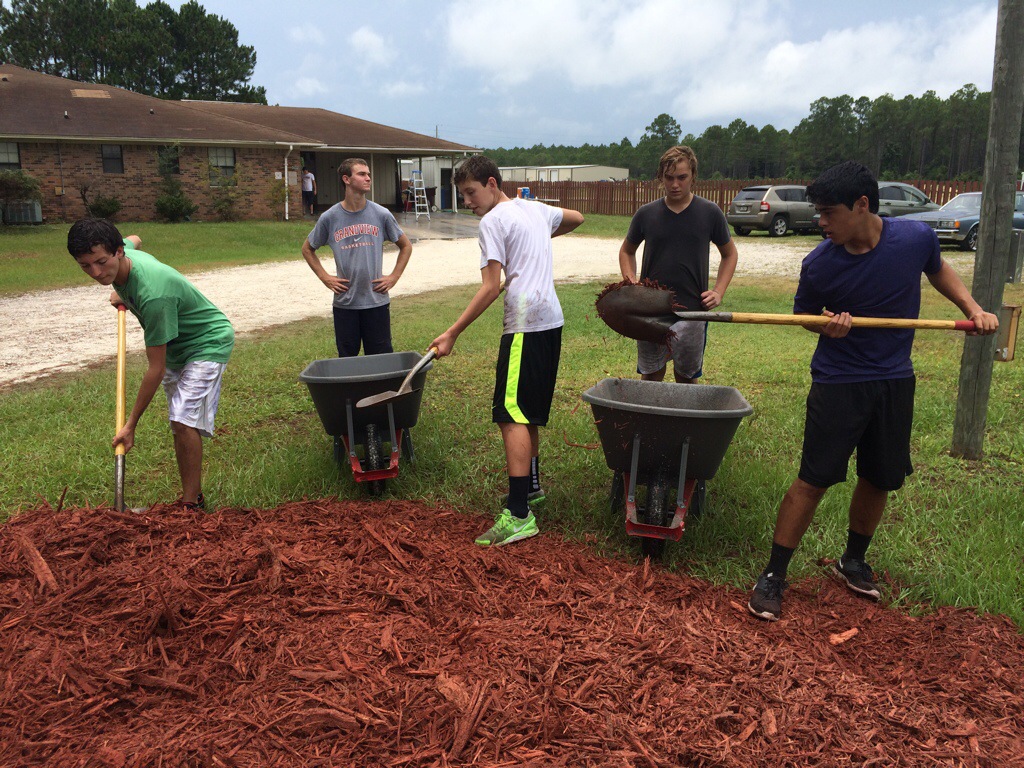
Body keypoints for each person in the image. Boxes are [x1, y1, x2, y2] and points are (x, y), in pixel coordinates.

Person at [747, 161, 999, 622]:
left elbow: (938, 269)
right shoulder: (819, 263)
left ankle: (853, 560)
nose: (821, 222)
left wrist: (972, 308)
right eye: (818, 212)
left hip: (895, 378)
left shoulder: (915, 239)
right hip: (838, 381)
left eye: (829, 212)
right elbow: (804, 316)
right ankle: (773, 574)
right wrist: (825, 324)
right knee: (814, 479)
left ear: (862, 205)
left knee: (880, 477)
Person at [430, 155, 584, 546]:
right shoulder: (532, 209)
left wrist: (452, 333)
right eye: (463, 195)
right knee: (526, 410)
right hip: (551, 319)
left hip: (525, 323)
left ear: (492, 184)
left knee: (510, 413)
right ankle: (530, 488)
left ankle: (518, 515)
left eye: (471, 192)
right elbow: (578, 217)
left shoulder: (493, 222)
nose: (468, 202)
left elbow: (489, 287)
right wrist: (533, 238)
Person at [68, 218, 235, 510]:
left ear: (118, 252)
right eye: (86, 266)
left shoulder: (154, 294)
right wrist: (120, 289)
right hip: (176, 346)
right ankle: (192, 496)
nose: (96, 273)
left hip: (207, 342)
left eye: (101, 262)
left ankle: (191, 505)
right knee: (180, 423)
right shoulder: (122, 252)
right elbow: (135, 237)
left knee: (183, 420)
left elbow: (155, 369)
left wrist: (130, 425)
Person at [618, 145, 738, 383]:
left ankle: (685, 410)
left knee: (687, 377)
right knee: (651, 374)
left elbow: (730, 254)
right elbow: (626, 251)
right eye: (669, 177)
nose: (675, 184)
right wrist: (631, 282)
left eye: (682, 177)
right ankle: (652, 410)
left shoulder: (710, 213)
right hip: (651, 311)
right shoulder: (646, 214)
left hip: (692, 310)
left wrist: (718, 291)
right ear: (661, 177)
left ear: (693, 176)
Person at [301, 158, 413, 357]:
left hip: (376, 301)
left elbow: (406, 246)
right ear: (346, 179)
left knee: (380, 358)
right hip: (345, 303)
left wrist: (393, 277)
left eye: (368, 174)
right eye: (362, 174)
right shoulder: (330, 217)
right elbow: (307, 249)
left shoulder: (381, 214)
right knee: (348, 359)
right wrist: (325, 277)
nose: (368, 178)